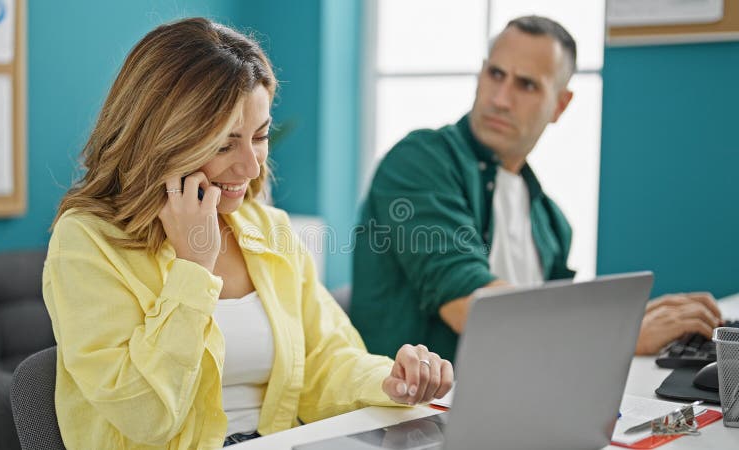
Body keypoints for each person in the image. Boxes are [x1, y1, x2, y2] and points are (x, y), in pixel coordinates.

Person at [43, 18, 453, 449]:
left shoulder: (265, 228)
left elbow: (323, 360)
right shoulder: (85, 243)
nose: (251, 167)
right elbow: (147, 416)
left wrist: (389, 380)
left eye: (259, 137)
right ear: (161, 140)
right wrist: (192, 267)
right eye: (224, 144)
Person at [350, 15, 721, 363]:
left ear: (560, 104)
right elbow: (473, 307)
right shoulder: (417, 162)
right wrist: (616, 333)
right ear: (480, 75)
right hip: (409, 420)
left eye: (526, 84)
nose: (500, 99)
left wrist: (632, 319)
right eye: (495, 74)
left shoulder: (551, 222)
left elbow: (553, 336)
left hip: (514, 410)